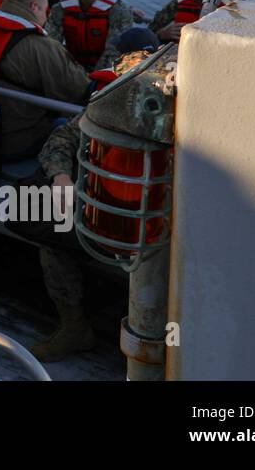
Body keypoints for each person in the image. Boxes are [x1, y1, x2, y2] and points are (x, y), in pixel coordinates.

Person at [29, 26, 161, 362]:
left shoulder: (184, 115)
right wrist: (60, 176)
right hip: (102, 209)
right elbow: (61, 139)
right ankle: (74, 326)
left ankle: (160, 348)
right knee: (49, 233)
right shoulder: (109, 100)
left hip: (159, 223)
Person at [0, 0, 92, 160]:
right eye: (45, 11)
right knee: (69, 125)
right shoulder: (44, 48)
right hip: (12, 142)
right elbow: (80, 93)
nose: (46, 17)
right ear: (34, 7)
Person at [45, 0, 134, 70]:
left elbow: (114, 53)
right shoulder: (60, 9)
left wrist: (94, 80)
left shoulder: (119, 12)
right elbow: (52, 45)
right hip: (70, 66)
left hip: (103, 69)